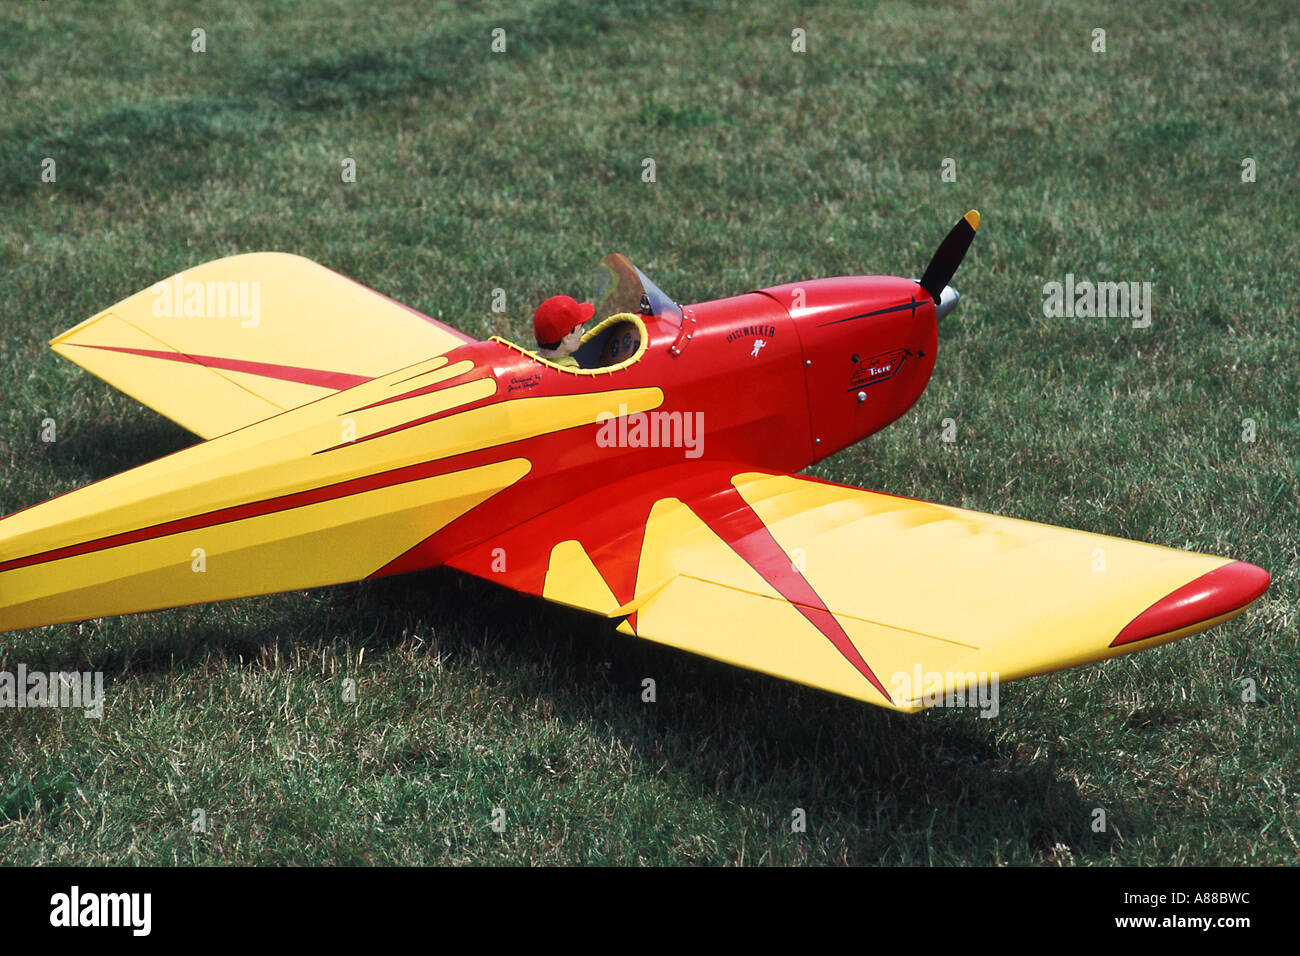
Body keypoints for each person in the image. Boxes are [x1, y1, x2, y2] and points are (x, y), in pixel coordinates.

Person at [533, 294, 595, 368]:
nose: (581, 334)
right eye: (580, 330)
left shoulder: (528, 362)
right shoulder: (572, 372)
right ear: (567, 338)